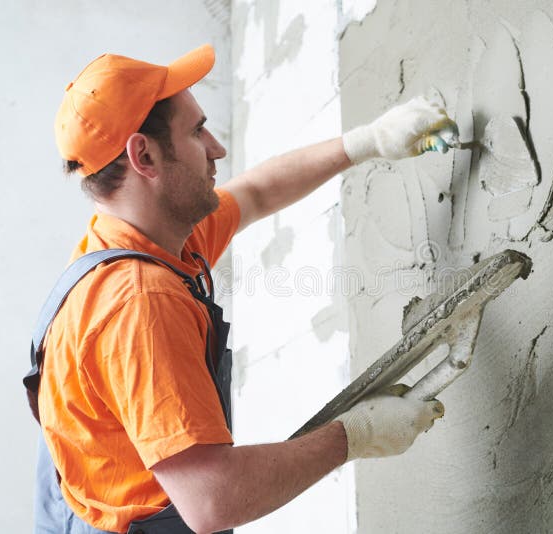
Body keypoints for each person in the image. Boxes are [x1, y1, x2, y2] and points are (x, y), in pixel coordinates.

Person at [26, 44, 455, 534]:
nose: (217, 147)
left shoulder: (135, 240)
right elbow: (212, 500)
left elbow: (255, 192)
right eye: (196, 131)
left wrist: (368, 141)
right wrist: (356, 436)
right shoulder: (140, 303)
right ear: (143, 155)